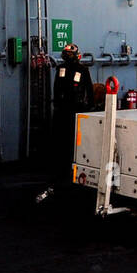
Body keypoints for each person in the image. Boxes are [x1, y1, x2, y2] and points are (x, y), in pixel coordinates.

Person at [36, 42, 94, 203]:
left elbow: (89, 90)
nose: (68, 58)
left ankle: (69, 167)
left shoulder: (83, 70)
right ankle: (61, 168)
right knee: (61, 140)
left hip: (74, 110)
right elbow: (57, 88)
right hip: (63, 111)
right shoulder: (61, 69)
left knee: (72, 141)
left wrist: (88, 108)